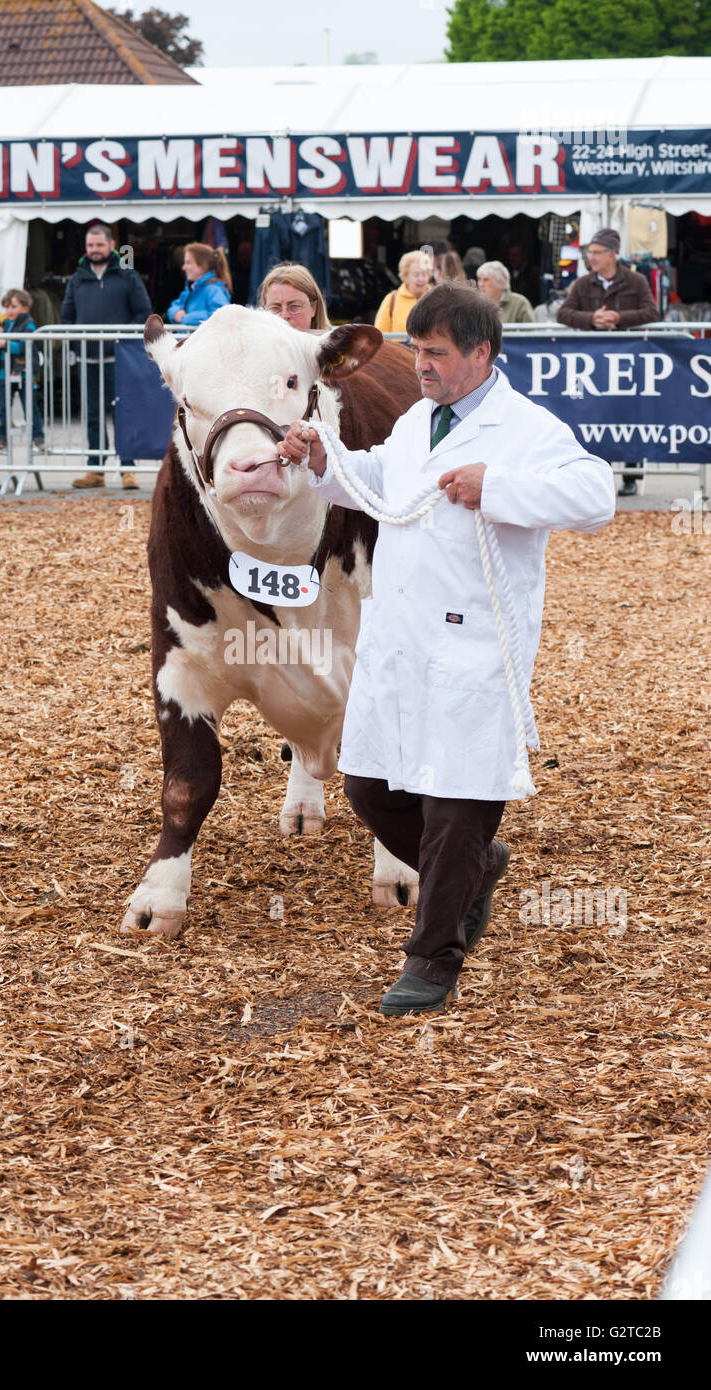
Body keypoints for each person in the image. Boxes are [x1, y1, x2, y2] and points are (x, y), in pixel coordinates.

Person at [280, 284, 615, 1017]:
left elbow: (595, 496)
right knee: (369, 788)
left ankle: (431, 959)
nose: (419, 364)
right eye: (416, 350)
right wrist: (318, 460)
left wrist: (498, 485)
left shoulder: (523, 429)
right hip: (401, 639)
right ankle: (471, 871)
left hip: (474, 647)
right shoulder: (417, 422)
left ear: (480, 354)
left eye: (434, 353)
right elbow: (376, 482)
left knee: (454, 807)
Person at [557, 228, 659, 495]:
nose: (590, 258)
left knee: (629, 414)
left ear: (612, 254)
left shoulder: (636, 281)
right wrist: (591, 319)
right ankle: (597, 475)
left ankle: (630, 475)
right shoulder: (582, 283)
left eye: (595, 253)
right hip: (593, 362)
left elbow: (652, 311)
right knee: (595, 414)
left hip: (628, 360)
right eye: (589, 253)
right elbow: (563, 313)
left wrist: (618, 318)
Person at [60, 222, 151, 490]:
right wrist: (77, 344)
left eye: (99, 244)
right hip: (88, 359)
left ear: (111, 246)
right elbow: (67, 317)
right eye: (90, 245)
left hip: (120, 359)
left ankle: (128, 469)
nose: (95, 250)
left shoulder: (127, 276)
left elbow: (143, 311)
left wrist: (122, 336)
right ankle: (96, 469)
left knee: (125, 414)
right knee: (93, 415)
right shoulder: (76, 279)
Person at [0, 289, 45, 452]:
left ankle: (38, 437)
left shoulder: (29, 324)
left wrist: (5, 343)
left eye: (14, 307)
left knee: (30, 406)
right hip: (5, 372)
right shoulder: (5, 324)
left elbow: (25, 346)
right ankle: (0, 437)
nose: (9, 310)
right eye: (7, 307)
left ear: (25, 307)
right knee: (2, 407)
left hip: (24, 372)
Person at [167, 243, 232, 325]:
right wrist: (175, 312)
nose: (183, 267)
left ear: (202, 265)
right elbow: (174, 307)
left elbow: (221, 317)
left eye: (188, 263)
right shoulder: (191, 289)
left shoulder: (214, 290)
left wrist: (185, 318)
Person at [258, 262, 330, 330]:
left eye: (294, 306)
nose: (284, 316)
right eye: (275, 308)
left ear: (314, 308)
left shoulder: (336, 342)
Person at [374, 252, 430, 334]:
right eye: (416, 275)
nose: (421, 279)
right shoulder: (391, 299)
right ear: (405, 276)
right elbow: (380, 335)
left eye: (424, 274)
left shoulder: (438, 299)